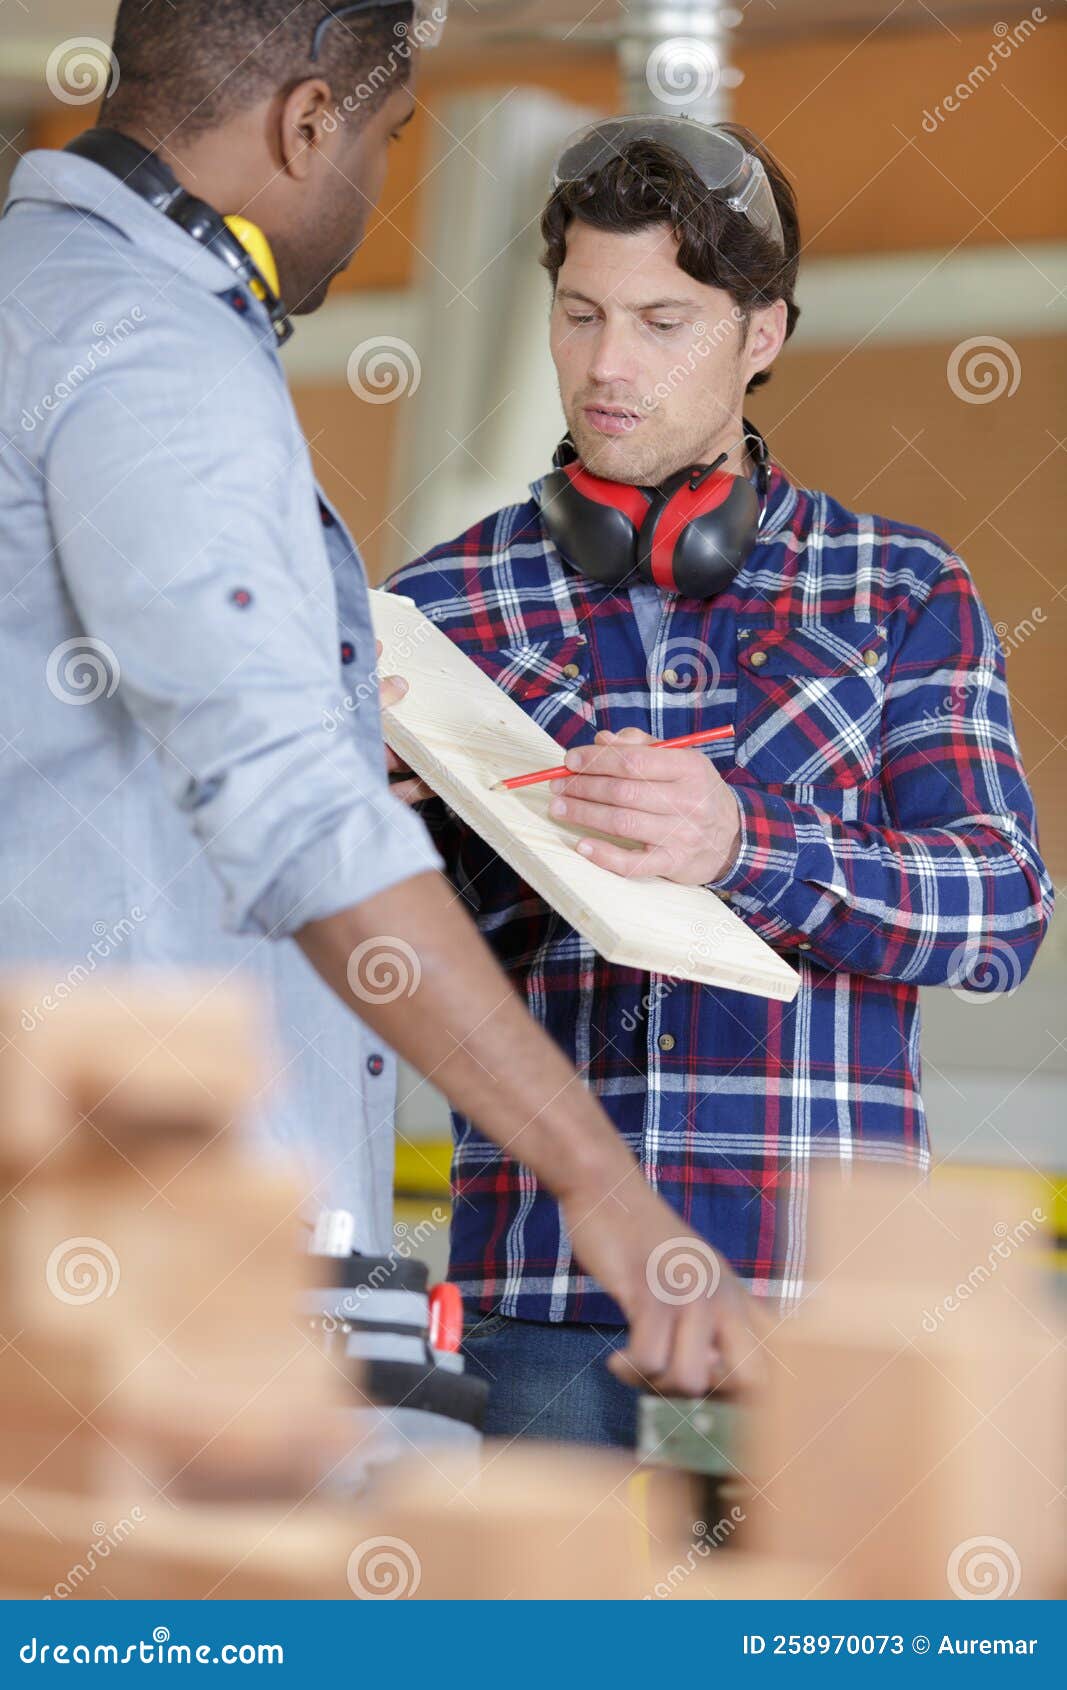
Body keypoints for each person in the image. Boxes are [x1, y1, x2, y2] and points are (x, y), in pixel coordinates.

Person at [0, 6, 759, 1400]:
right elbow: (292, 814)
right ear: (306, 122)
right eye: (386, 137)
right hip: (156, 1235)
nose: (373, 189)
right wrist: (603, 1180)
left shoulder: (31, 300)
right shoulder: (153, 350)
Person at [388, 116, 1054, 1448]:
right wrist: (394, 836)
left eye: (662, 322)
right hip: (542, 1295)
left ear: (763, 335)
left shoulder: (902, 592)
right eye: (579, 316)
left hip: (825, 1296)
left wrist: (746, 842)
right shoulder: (436, 609)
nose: (606, 366)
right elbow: (381, 962)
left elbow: (999, 915)